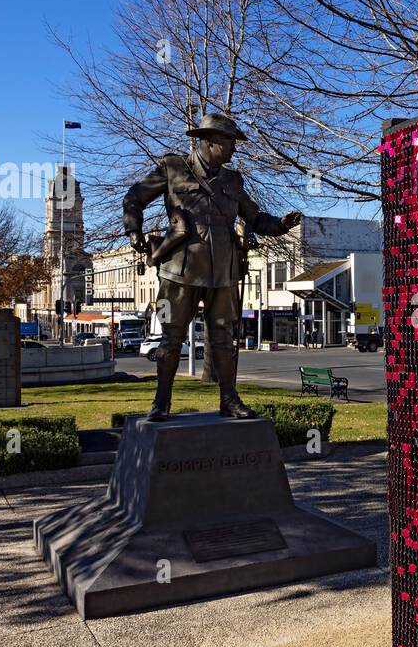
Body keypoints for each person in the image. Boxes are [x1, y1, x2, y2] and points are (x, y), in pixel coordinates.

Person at [122, 111, 302, 421]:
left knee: (224, 337)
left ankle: (229, 400)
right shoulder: (173, 168)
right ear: (208, 142)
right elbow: (134, 197)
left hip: (223, 271)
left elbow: (255, 219)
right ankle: (161, 403)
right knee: (171, 338)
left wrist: (282, 225)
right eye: (229, 143)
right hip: (179, 270)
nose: (234, 150)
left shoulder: (233, 180)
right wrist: (133, 231)